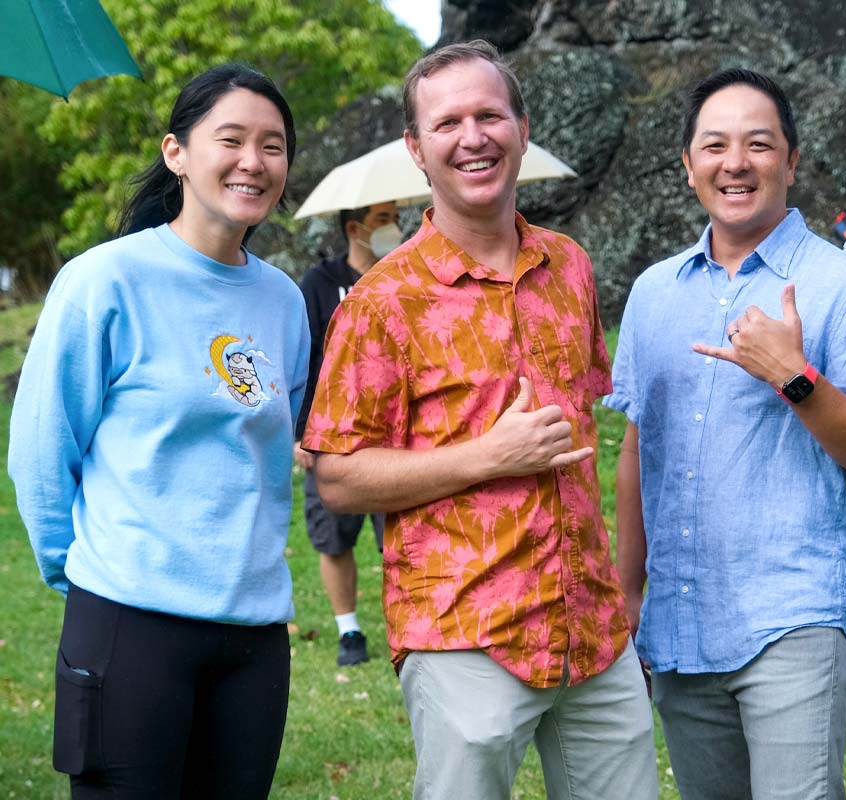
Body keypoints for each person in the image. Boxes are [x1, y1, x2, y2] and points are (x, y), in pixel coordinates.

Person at [300, 40, 657, 799]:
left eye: (490, 114)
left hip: (591, 630)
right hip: (464, 634)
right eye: (448, 122)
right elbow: (335, 476)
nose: (474, 137)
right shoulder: (381, 301)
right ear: (416, 150)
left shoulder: (570, 266)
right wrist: (488, 456)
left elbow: (588, 426)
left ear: (523, 129)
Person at [605, 67, 846, 800]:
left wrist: (794, 377)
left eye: (759, 144)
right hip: (680, 628)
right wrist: (626, 591)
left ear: (793, 159)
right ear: (688, 166)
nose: (735, 162)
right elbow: (638, 446)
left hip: (794, 618)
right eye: (714, 145)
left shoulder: (842, 285)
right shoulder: (653, 294)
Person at [9, 64, 307, 799]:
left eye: (272, 146)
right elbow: (42, 452)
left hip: (254, 636)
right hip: (129, 621)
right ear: (177, 153)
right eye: (230, 139)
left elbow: (274, 449)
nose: (253, 162)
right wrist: (83, 576)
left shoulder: (283, 300)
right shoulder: (103, 282)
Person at [294, 200, 399, 666]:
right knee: (333, 539)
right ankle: (349, 631)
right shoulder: (319, 285)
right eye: (383, 219)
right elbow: (302, 360)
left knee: (399, 537)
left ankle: (406, 629)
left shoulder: (407, 274)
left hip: (397, 437)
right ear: (355, 228)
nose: (394, 227)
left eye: (396, 217)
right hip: (329, 435)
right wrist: (300, 432)